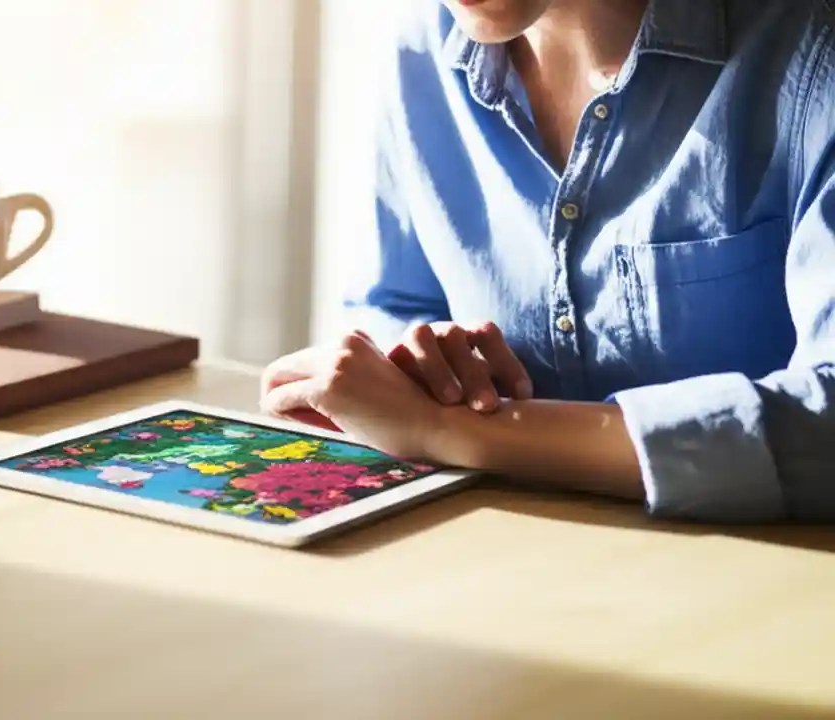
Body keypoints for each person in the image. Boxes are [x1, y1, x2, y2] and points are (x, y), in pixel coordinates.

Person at [260, 0, 835, 522]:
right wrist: (423, 364)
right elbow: (390, 307)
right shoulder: (424, 49)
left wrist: (454, 430)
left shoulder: (811, 53)